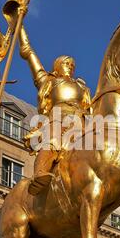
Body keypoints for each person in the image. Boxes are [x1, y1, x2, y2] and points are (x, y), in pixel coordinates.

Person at [19, 26, 91, 195]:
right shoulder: (48, 81)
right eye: (66, 63)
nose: (70, 67)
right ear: (57, 66)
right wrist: (19, 28)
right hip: (58, 118)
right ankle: (40, 174)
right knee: (52, 142)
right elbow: (28, 52)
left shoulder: (82, 87)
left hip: (80, 121)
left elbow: (92, 108)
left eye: (72, 65)